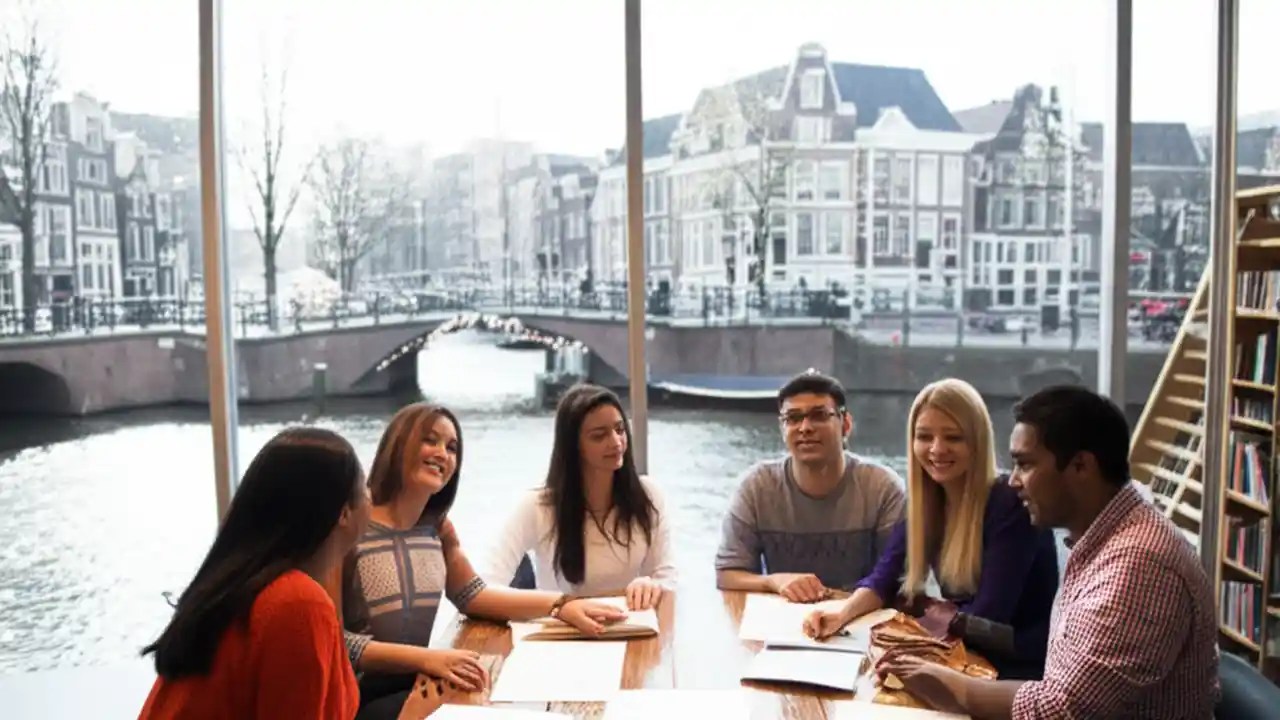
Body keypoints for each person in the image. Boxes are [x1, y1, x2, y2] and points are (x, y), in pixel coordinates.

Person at [876, 385, 1219, 719]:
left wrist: (951, 684)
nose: (1014, 482)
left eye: (1025, 465)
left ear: (1081, 467)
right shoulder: (1108, 538)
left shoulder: (1139, 565)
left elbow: (1060, 710)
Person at [344, 402, 628, 719]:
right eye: (430, 440)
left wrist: (562, 605)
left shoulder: (437, 529)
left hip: (416, 684)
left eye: (452, 448)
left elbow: (473, 594)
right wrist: (427, 659)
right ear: (398, 442)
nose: (442, 454)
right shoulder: (351, 526)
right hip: (357, 700)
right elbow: (338, 642)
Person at [138, 428, 443, 720]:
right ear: (343, 512)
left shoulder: (247, 587)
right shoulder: (296, 603)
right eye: (363, 486)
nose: (370, 497)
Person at [803, 378, 1058, 679]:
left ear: (977, 440)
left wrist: (925, 610)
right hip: (962, 655)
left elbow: (988, 618)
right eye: (924, 436)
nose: (937, 449)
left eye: (953, 437)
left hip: (1014, 673)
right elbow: (884, 578)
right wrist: (841, 614)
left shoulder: (1010, 504)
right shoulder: (926, 502)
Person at [715, 370, 906, 600]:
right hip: (781, 620)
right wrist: (775, 581)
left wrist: (834, 602)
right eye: (793, 418)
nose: (805, 427)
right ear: (782, 429)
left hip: (861, 619)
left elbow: (899, 581)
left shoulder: (882, 488)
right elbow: (727, 573)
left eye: (819, 415)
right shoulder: (757, 487)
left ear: (845, 424)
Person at [482, 384, 675, 609]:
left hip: (631, 629)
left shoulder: (649, 495)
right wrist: (557, 605)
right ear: (573, 446)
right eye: (599, 436)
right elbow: (485, 584)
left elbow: (666, 577)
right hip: (561, 634)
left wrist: (651, 585)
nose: (616, 442)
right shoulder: (538, 507)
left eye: (620, 429)